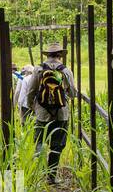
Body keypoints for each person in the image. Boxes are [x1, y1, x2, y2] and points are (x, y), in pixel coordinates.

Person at [26, 42, 76, 183]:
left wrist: (33, 107)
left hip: (42, 113)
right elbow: (72, 93)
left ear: (47, 55)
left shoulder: (38, 69)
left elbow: (31, 91)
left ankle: (41, 173)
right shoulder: (66, 70)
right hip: (61, 114)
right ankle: (51, 177)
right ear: (60, 55)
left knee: (40, 142)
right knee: (57, 145)